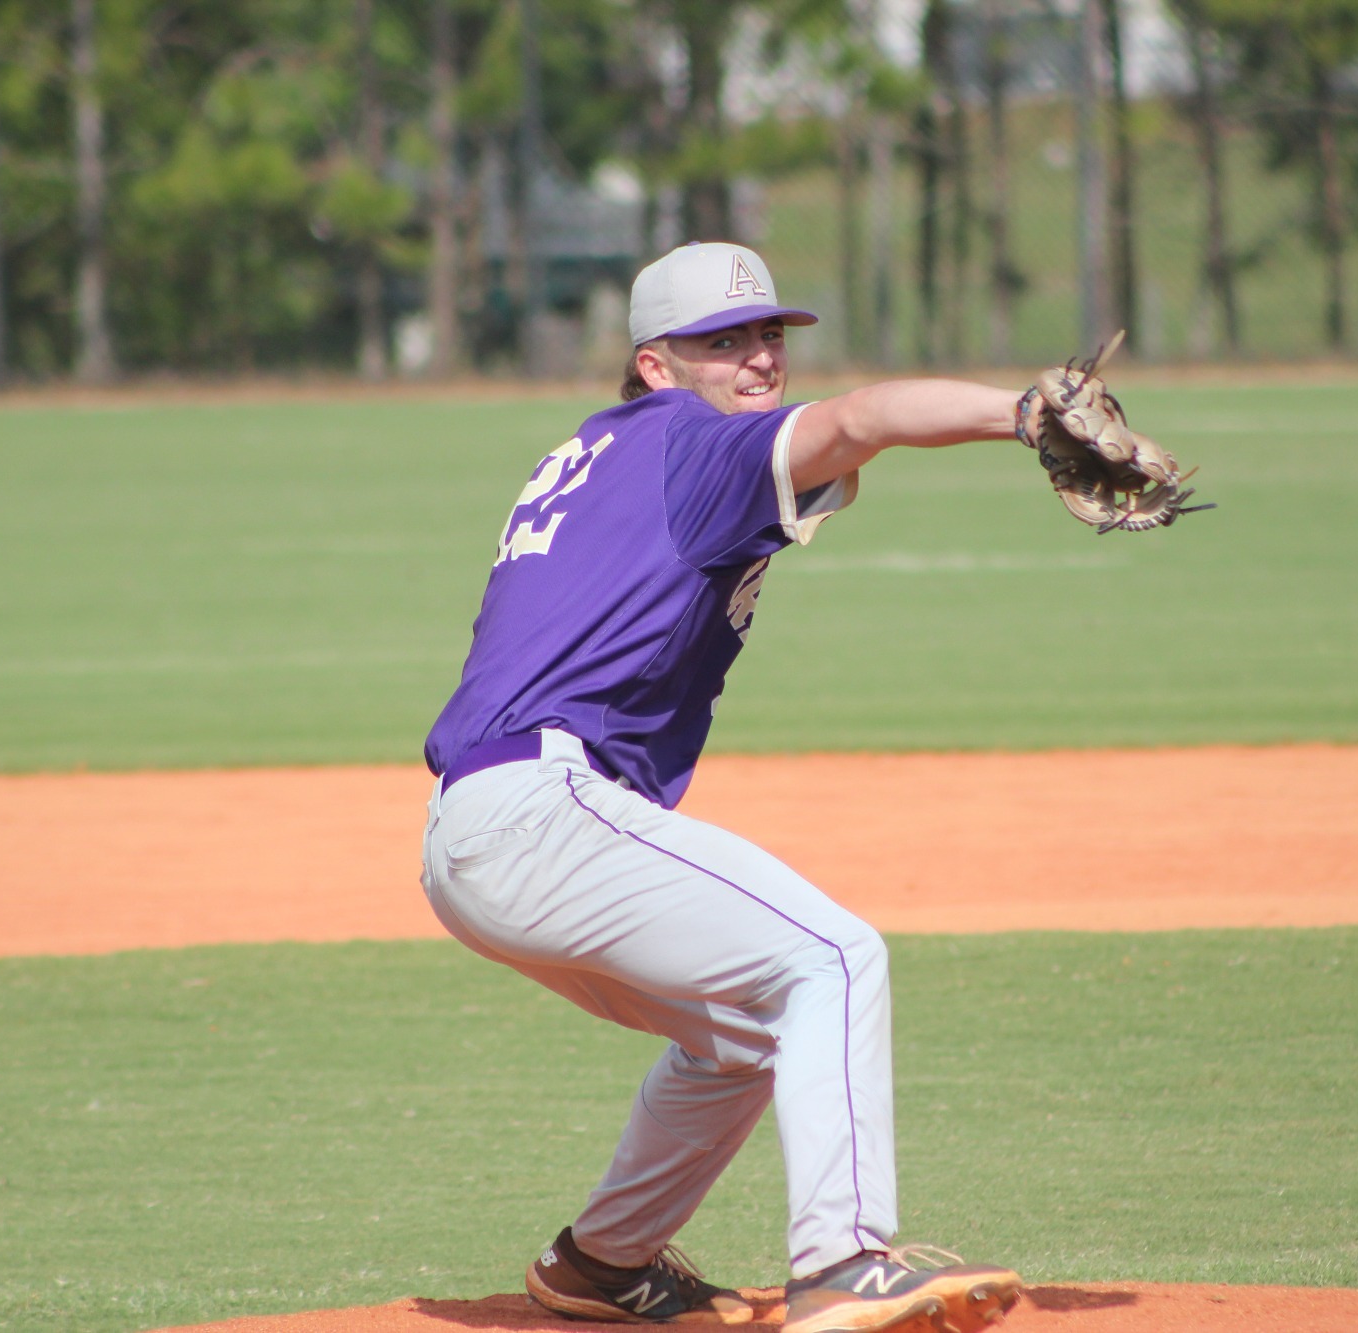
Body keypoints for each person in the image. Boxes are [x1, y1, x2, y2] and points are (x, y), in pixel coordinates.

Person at [419, 242, 1026, 1333]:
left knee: (745, 1030)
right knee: (832, 956)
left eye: (767, 335)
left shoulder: (614, 449)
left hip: (480, 830)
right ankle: (841, 1263)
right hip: (541, 809)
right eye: (721, 341)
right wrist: (1022, 411)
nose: (757, 358)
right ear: (656, 364)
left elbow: (827, 455)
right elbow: (858, 421)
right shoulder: (691, 446)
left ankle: (599, 1264)